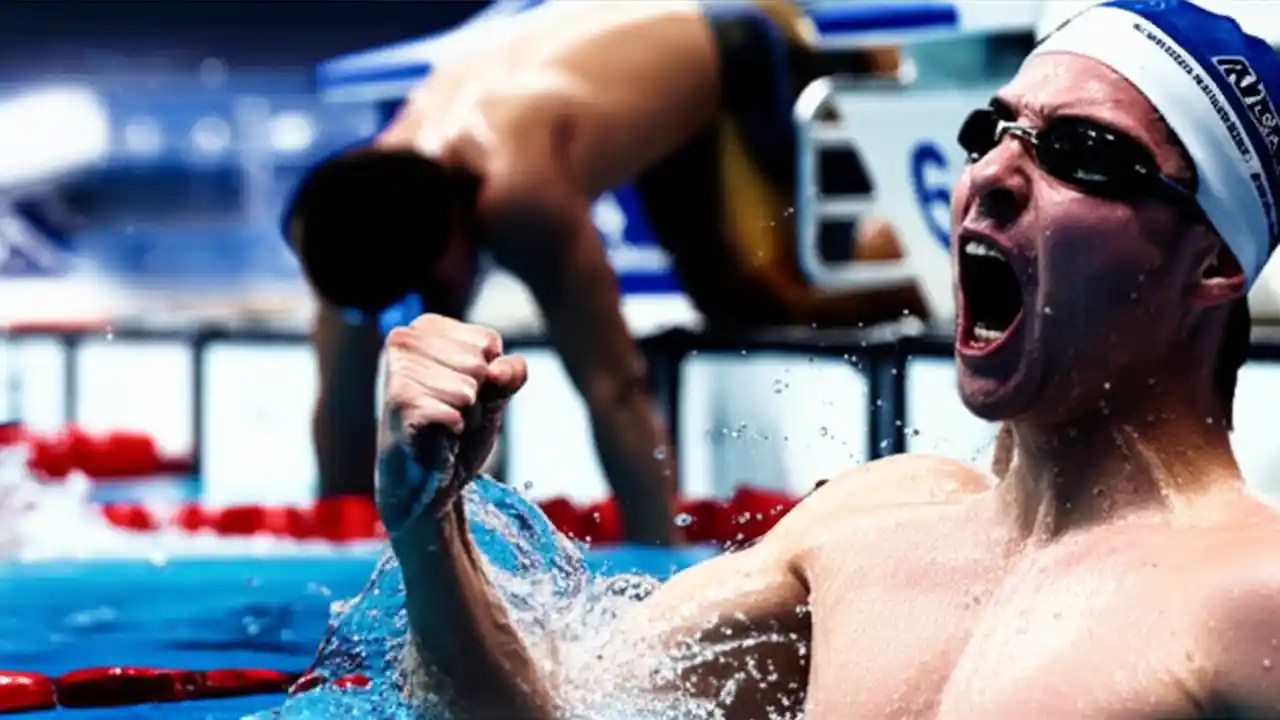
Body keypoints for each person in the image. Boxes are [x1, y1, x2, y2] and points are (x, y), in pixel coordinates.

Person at [368, 0, 1280, 716]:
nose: (993, 174)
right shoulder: (866, 529)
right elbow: (546, 710)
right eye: (990, 132)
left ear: (1217, 265)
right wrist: (427, 528)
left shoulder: (1249, 595)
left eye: (1083, 154)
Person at [299, 0, 922, 546]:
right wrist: (340, 538)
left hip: (743, 44)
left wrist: (659, 570)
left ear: (450, 242)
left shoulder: (519, 196)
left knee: (769, 298)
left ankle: (923, 254)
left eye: (430, 288)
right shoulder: (363, 197)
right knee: (724, 288)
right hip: (624, 45)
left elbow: (615, 387)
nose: (431, 304)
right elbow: (341, 383)